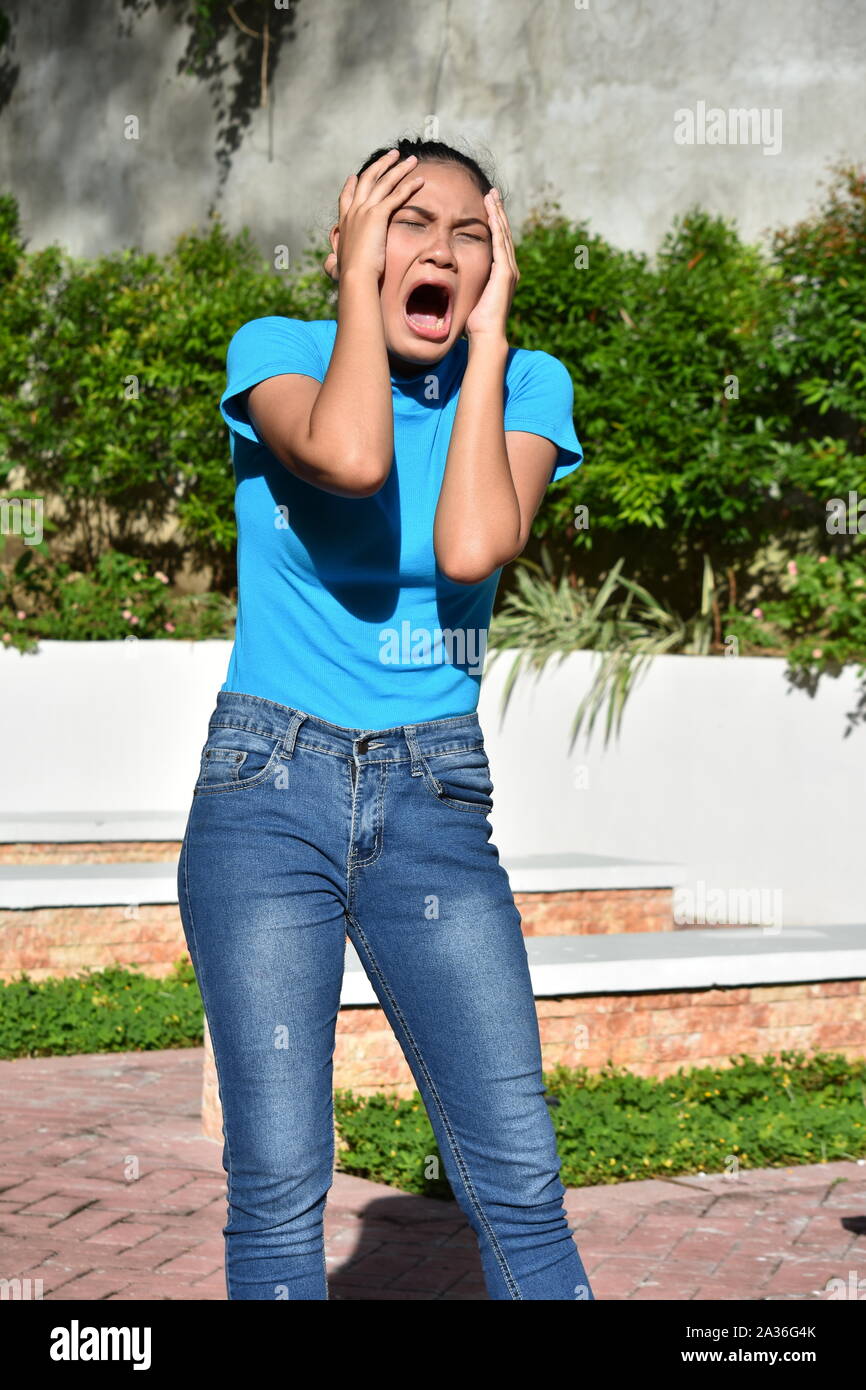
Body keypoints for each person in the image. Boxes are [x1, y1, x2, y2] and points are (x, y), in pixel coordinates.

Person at [177, 136, 594, 1301]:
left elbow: (470, 543)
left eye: (470, 232)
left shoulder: (526, 385)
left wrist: (493, 342)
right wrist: (361, 285)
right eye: (406, 222)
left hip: (435, 801)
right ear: (348, 244)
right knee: (275, 1180)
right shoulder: (275, 356)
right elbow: (351, 459)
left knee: (517, 1177)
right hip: (267, 790)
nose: (443, 250)